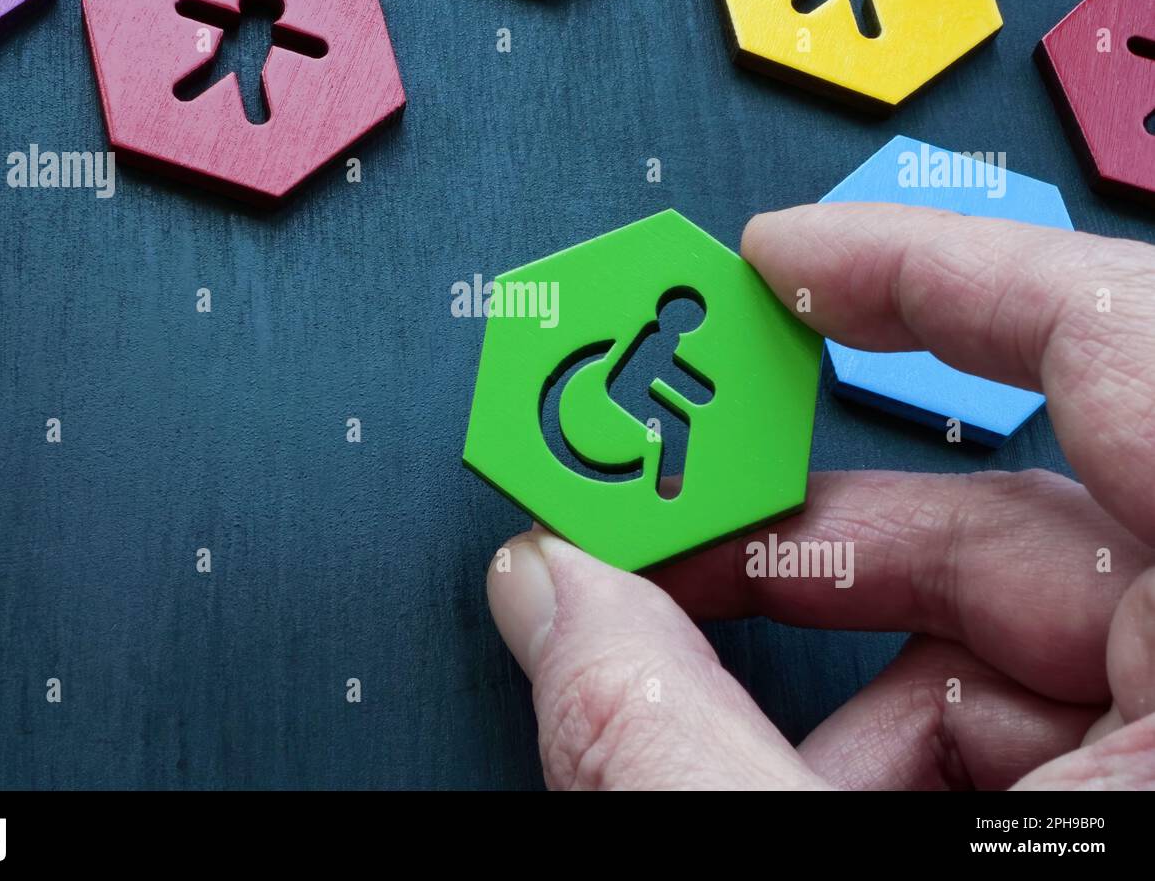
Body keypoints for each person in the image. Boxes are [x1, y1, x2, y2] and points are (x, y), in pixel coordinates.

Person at [486, 202, 1155, 790]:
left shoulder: (675, 337)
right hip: (612, 401)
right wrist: (688, 395)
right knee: (659, 442)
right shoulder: (652, 337)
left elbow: (680, 381)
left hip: (630, 407)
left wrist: (696, 395)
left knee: (665, 445)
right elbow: (647, 377)